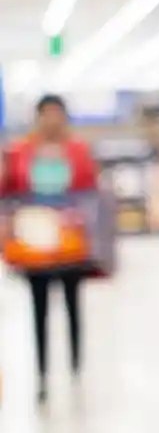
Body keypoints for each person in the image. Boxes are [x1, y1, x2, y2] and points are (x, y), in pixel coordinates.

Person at [1, 94, 98, 402]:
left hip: (70, 242)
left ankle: (75, 369)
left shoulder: (78, 151)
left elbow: (90, 191)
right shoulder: (20, 151)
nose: (52, 120)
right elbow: (7, 191)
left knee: (73, 307)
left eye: (58, 114)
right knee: (38, 309)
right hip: (35, 241)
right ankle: (42, 375)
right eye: (47, 114)